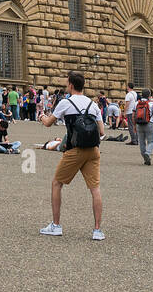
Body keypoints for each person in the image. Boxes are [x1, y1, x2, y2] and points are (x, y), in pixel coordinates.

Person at [38, 70, 104, 240]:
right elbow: (102, 131)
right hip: (93, 151)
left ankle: (56, 225)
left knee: (57, 184)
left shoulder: (66, 103)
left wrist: (42, 116)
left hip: (75, 150)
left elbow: (48, 124)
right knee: (95, 189)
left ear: (71, 85)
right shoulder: (93, 104)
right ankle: (97, 230)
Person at [134, 89, 153, 165]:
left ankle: (145, 158)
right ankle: (147, 153)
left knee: (141, 142)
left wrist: (134, 125)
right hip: (149, 123)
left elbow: (133, 115)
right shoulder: (152, 104)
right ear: (149, 96)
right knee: (151, 141)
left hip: (139, 124)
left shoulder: (136, 103)